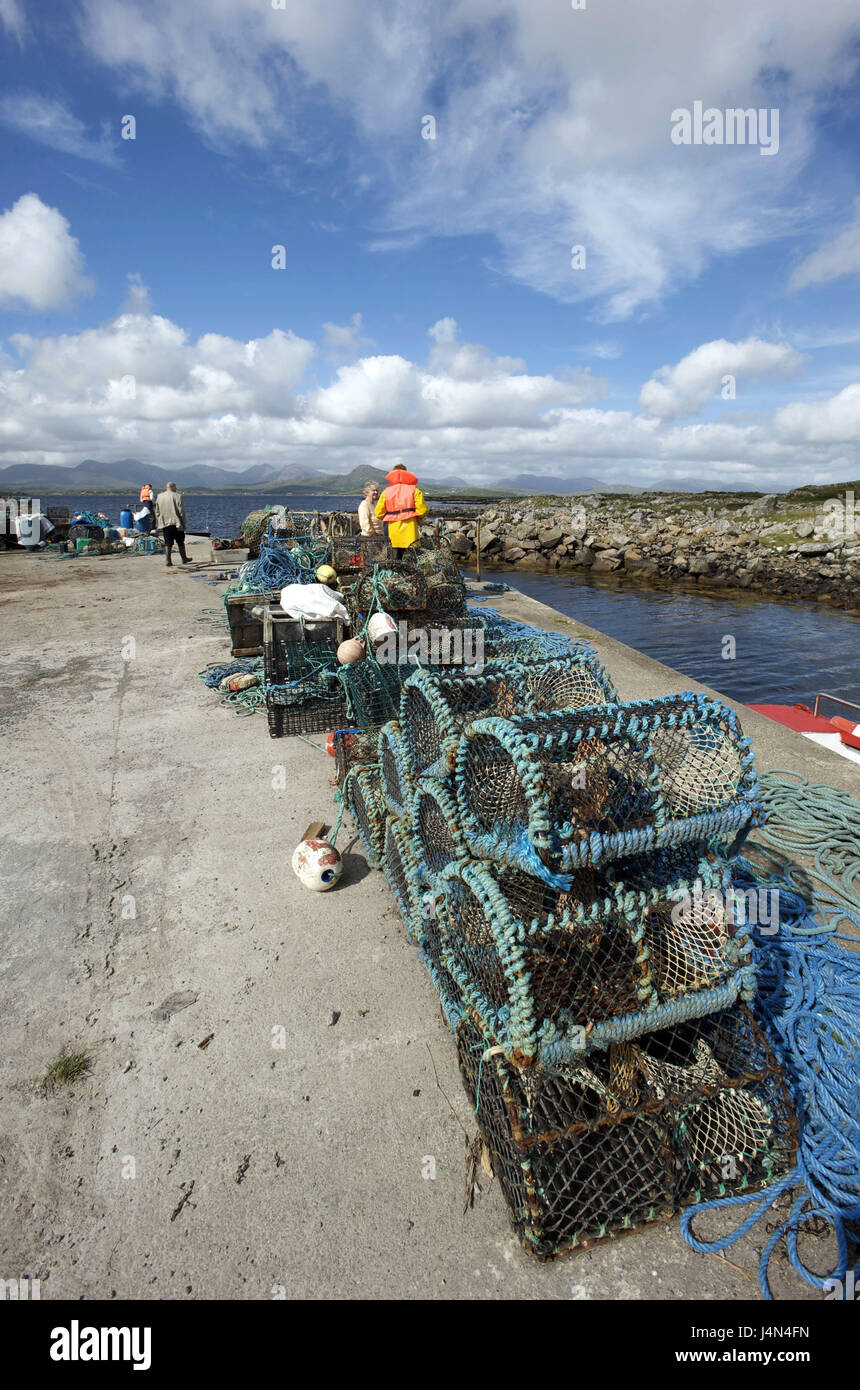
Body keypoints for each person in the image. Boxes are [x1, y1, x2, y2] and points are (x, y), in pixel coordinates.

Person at [374, 463, 427, 548]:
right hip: (410, 530)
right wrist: (415, 517)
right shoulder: (415, 490)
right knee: (411, 557)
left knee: (394, 558)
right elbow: (422, 510)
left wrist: (390, 517)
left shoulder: (386, 492)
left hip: (392, 530)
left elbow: (378, 512)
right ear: (406, 474)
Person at [155, 481, 191, 567]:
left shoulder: (159, 497)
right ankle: (184, 558)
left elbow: (157, 511)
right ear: (173, 487)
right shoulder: (178, 496)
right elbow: (181, 511)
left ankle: (168, 560)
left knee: (168, 542)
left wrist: (160, 520)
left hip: (165, 522)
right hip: (176, 522)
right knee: (180, 541)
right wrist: (184, 522)